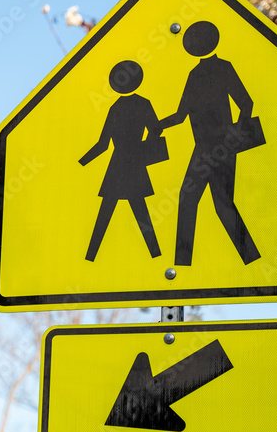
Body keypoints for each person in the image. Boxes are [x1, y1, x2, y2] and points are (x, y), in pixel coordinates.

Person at [159, 20, 262, 266]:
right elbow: (181, 114)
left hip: (222, 147)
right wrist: (156, 125)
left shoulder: (223, 68)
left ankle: (251, 259)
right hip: (203, 148)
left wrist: (235, 134)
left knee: (219, 204)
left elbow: (246, 103)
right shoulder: (194, 74)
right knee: (195, 201)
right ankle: (184, 265)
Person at [80, 60, 167, 262]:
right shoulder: (141, 103)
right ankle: (156, 255)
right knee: (139, 211)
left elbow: (103, 144)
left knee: (109, 212)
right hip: (133, 163)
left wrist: (82, 162)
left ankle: (91, 256)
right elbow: (156, 129)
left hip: (119, 164)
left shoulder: (116, 107)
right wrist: (144, 150)